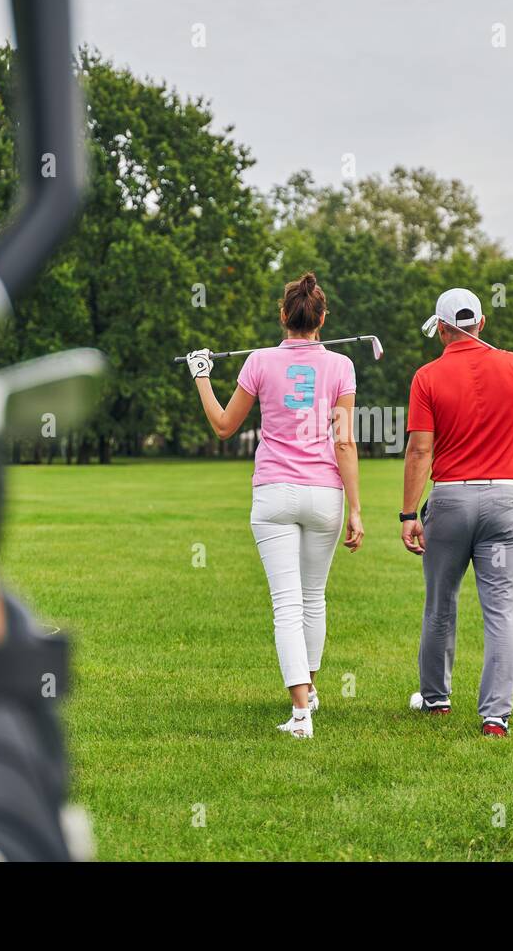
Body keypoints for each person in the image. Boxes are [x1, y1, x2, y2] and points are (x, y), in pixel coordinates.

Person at [185, 272, 364, 739]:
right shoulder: (341, 366)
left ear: (283, 316)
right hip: (326, 494)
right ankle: (311, 692)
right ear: (321, 318)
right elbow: (344, 442)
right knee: (313, 599)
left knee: (287, 605)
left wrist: (201, 376)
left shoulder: (259, 362)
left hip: (274, 493)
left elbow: (225, 425)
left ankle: (301, 714)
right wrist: (358, 509)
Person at [399, 287, 513, 737]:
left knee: (439, 605)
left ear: (440, 329)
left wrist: (407, 514)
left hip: (451, 502)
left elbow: (419, 450)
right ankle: (495, 717)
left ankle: (436, 701)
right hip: (503, 504)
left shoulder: (427, 376)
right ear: (482, 324)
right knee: (500, 613)